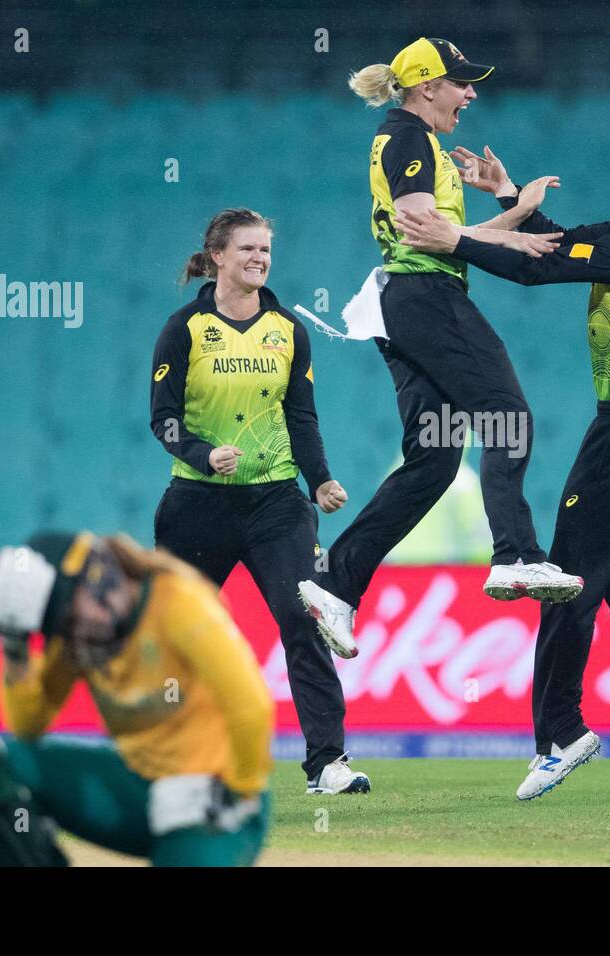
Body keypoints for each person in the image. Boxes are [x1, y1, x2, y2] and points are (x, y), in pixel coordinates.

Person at [395, 132, 610, 799]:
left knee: (566, 579)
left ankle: (560, 735)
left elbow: (533, 268)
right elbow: (558, 241)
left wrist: (450, 240)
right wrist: (508, 196)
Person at [297, 37, 583, 661]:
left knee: (432, 462)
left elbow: (438, 232)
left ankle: (335, 583)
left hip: (407, 303)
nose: (471, 93)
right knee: (509, 415)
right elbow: (426, 238)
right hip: (427, 298)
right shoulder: (406, 139)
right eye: (461, 82)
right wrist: (514, 223)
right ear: (427, 87)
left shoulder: (411, 141)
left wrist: (504, 210)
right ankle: (516, 556)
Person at [149, 208, 368, 796]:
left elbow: (301, 416)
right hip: (196, 505)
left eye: (265, 250)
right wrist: (201, 454)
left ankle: (327, 763)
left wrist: (319, 479)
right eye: (246, 249)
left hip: (276, 503)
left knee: (306, 621)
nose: (258, 259)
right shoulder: (185, 328)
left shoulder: (288, 330)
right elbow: (163, 421)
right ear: (217, 255)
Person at [0, 531, 274, 866]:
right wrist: (14, 650)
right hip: (138, 790)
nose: (75, 631)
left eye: (70, 615)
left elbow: (250, 704)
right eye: (61, 627)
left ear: (98, 576)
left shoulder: (178, 601)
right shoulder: (75, 635)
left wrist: (239, 790)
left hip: (214, 802)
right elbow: (27, 726)